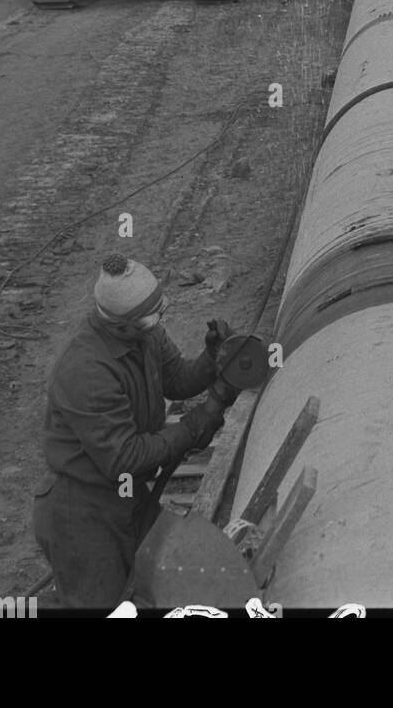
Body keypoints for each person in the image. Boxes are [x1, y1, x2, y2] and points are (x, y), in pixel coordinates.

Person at [32, 254, 238, 608]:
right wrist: (197, 424)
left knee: (160, 584)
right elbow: (125, 458)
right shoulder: (86, 371)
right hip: (83, 514)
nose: (159, 321)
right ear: (120, 325)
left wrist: (212, 360)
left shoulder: (146, 335)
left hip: (127, 499)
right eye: (152, 316)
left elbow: (176, 378)